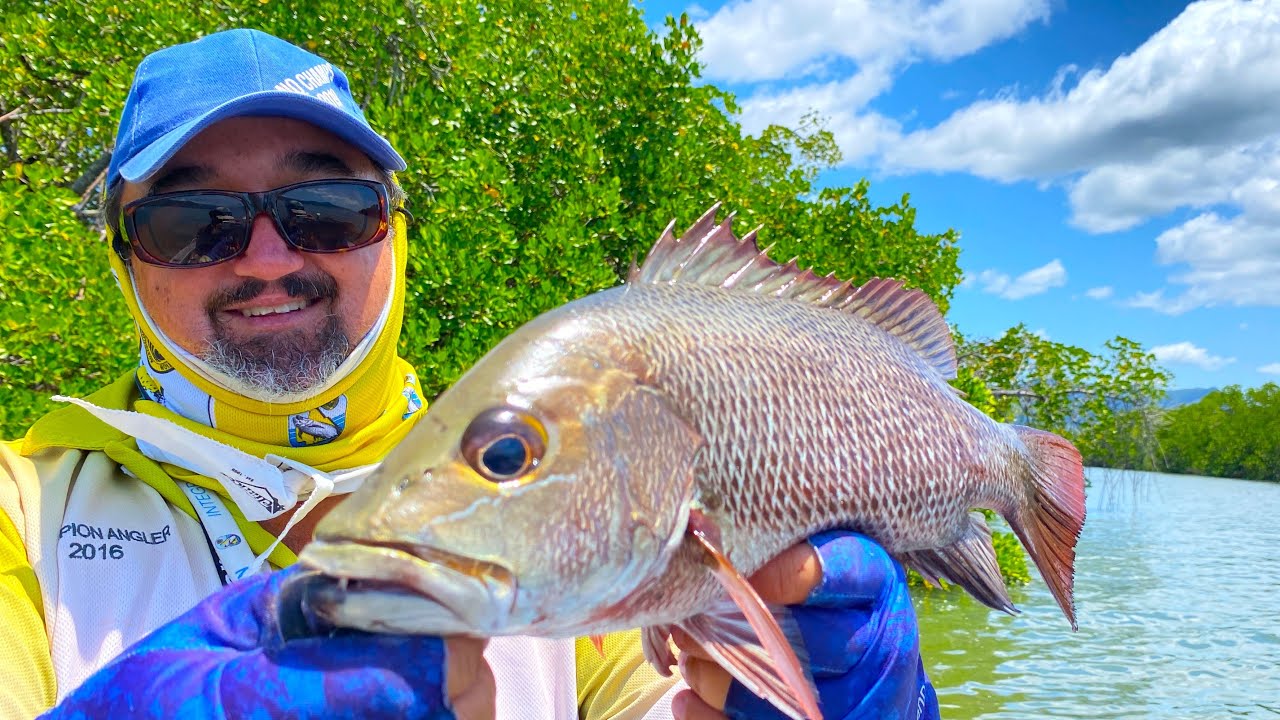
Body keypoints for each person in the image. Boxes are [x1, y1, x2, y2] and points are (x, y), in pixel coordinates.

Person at [0, 28, 940, 720]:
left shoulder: (575, 489)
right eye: (189, 221)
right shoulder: (17, 512)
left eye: (326, 207)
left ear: (395, 231)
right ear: (125, 260)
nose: (268, 256)